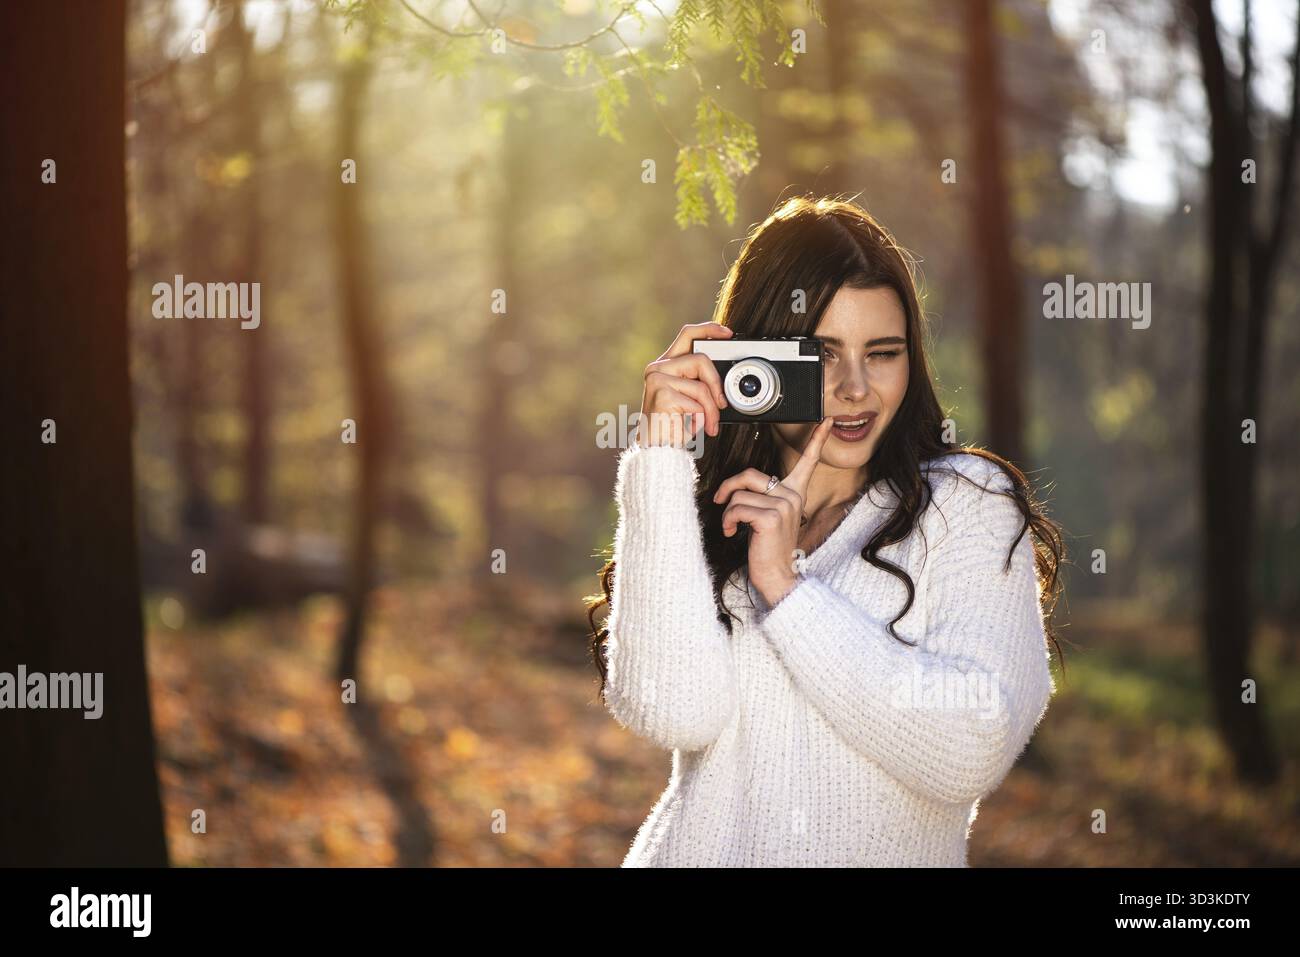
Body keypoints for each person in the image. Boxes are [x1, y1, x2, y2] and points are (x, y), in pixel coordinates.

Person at [584, 195, 1066, 867]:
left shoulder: (964, 504)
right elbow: (672, 712)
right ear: (757, 355)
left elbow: (971, 746)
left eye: (884, 352)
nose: (856, 387)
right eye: (821, 353)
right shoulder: (707, 510)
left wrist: (788, 589)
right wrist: (661, 457)